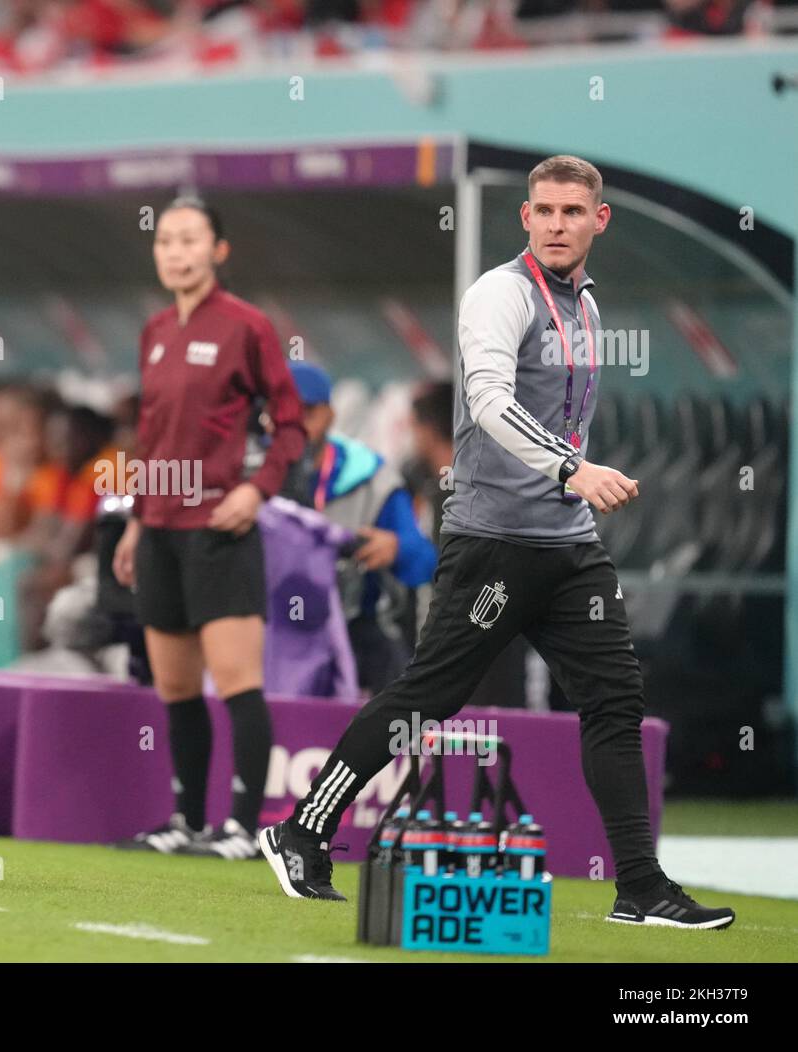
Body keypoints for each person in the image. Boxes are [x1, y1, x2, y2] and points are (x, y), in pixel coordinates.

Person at [258, 155, 735, 929]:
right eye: (543, 210)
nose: (556, 223)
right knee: (430, 696)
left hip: (570, 546)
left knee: (614, 700)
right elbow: (485, 399)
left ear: (598, 221)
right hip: (493, 541)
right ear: (524, 217)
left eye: (572, 212)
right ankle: (303, 828)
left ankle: (640, 888)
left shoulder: (587, 308)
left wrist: (573, 482)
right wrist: (574, 468)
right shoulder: (499, 293)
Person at [112, 196, 305, 860]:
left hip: (220, 529)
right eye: (165, 241)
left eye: (189, 240)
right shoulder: (155, 329)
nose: (175, 252)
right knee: (174, 687)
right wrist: (137, 521)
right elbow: (151, 437)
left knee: (237, 682)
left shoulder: (248, 326)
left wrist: (257, 490)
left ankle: (246, 829)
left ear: (218, 250)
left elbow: (291, 424)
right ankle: (186, 821)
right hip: (160, 527)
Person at [281, 361, 437, 694]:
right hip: (274, 628)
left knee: (395, 691)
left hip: (356, 626)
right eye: (282, 412)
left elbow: (424, 559)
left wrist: (395, 547)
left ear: (330, 415)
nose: (294, 424)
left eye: (306, 412)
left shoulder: (370, 475)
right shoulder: (252, 477)